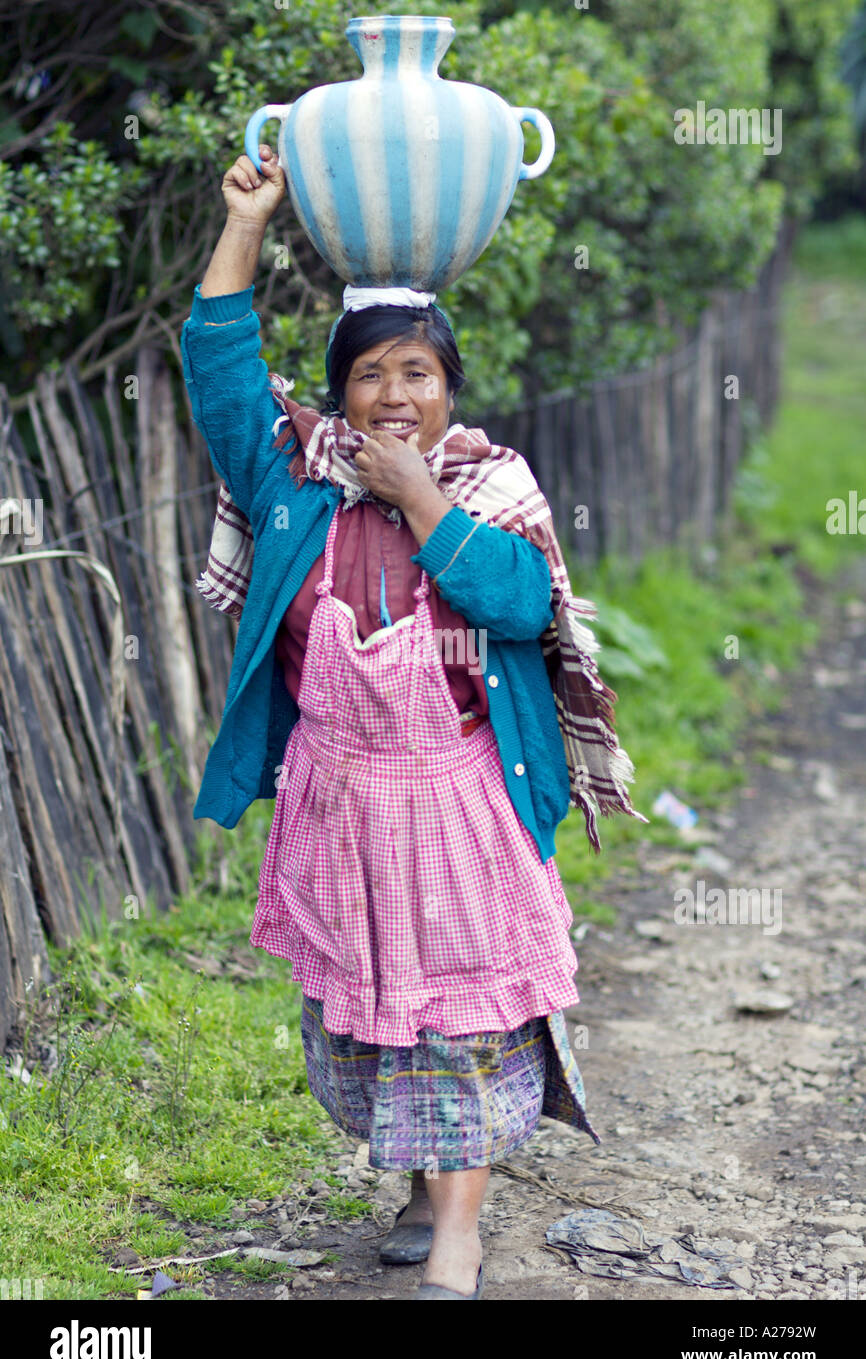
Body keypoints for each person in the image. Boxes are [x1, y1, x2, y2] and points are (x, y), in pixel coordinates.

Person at [181, 144, 645, 1300]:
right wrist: (246, 221)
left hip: (459, 801)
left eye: (417, 373)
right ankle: (416, 1182)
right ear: (340, 391)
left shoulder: (492, 487)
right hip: (339, 798)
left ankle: (457, 1235)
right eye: (370, 377)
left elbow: (515, 601)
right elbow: (218, 370)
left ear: (450, 386)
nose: (394, 397)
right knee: (375, 1019)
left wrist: (419, 497)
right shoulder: (293, 480)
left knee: (462, 1019)